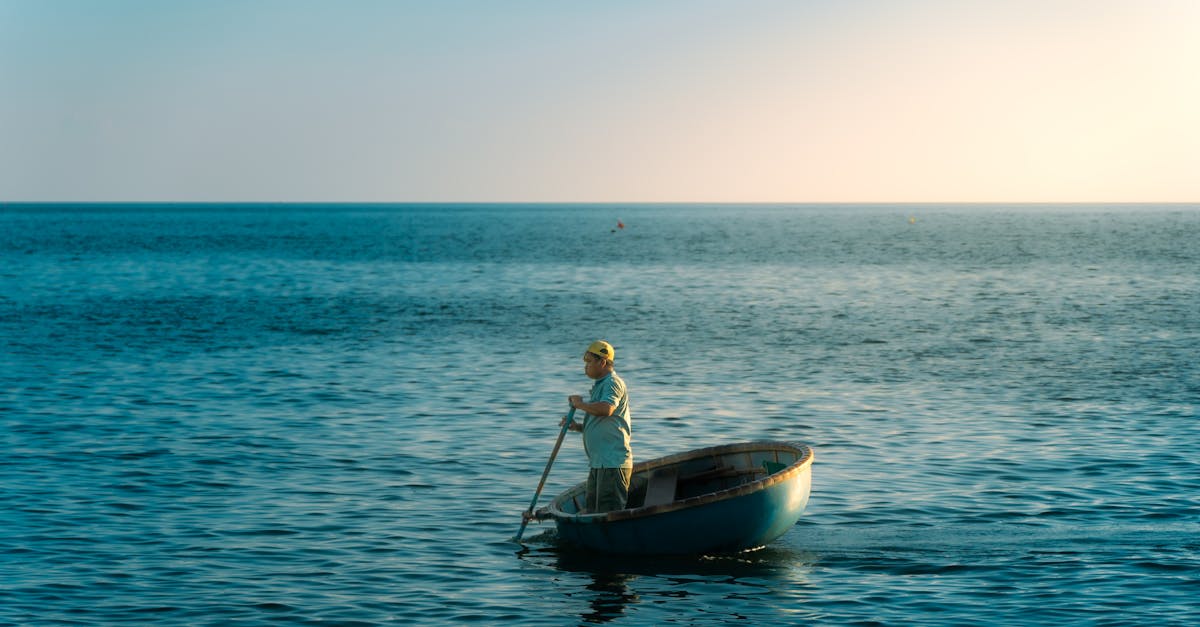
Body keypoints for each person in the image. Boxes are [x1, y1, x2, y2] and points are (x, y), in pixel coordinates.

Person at [566, 340, 632, 513]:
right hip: (599, 463)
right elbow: (601, 422)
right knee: (593, 512)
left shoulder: (612, 383)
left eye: (589, 362)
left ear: (602, 362)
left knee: (608, 513)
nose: (585, 367)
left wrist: (580, 404)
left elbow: (606, 409)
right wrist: (578, 426)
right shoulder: (600, 385)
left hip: (612, 463)